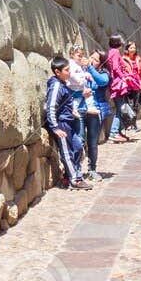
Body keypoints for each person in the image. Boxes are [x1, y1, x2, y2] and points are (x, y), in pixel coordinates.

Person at [43, 56, 87, 189]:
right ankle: (74, 180)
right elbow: (51, 106)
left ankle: (71, 175)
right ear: (57, 72)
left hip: (68, 122)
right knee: (66, 152)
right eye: (67, 70)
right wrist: (55, 127)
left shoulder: (63, 84)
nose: (69, 73)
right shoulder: (56, 85)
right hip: (61, 124)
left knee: (78, 147)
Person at [71, 47, 105, 181]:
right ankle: (77, 170)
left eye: (97, 60)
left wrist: (90, 68)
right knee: (79, 141)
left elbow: (102, 82)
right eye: (92, 57)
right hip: (79, 109)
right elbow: (70, 84)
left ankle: (92, 169)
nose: (92, 60)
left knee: (93, 142)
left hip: (93, 110)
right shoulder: (76, 68)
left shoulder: (101, 73)